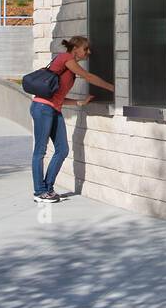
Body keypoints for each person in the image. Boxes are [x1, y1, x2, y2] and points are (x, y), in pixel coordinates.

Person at [31, 36, 114, 203]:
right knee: (40, 151)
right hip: (42, 108)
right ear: (75, 48)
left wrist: (79, 102)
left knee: (62, 150)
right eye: (86, 49)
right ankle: (40, 192)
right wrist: (114, 88)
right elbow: (88, 77)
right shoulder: (66, 58)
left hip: (53, 109)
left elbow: (58, 97)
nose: (88, 52)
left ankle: (48, 189)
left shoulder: (69, 65)